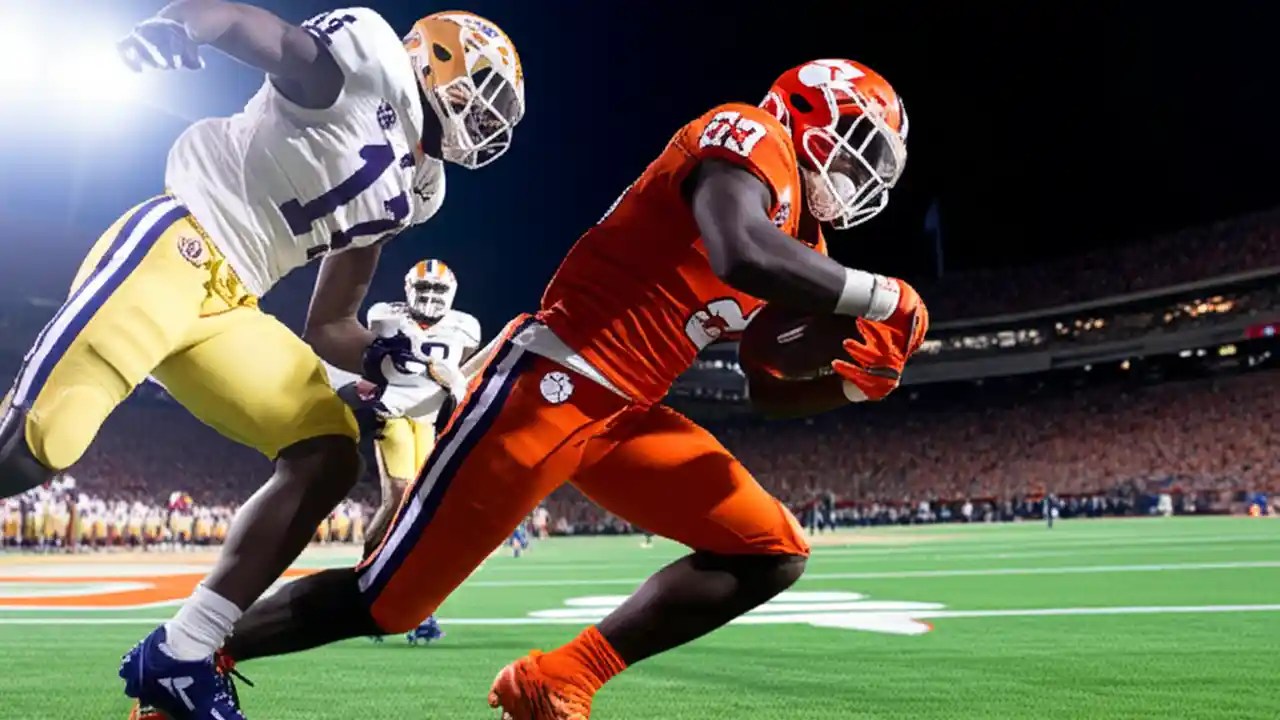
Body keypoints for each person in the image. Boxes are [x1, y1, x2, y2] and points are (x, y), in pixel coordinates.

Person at [218, 58, 927, 720]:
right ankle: (193, 656)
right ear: (807, 108)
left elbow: (768, 384)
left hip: (626, 416)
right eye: (860, 138)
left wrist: (856, 385)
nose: (864, 170)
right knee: (385, 601)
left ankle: (561, 677)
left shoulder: (806, 243)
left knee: (770, 551)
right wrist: (878, 295)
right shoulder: (751, 133)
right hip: (549, 380)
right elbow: (740, 248)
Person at [0, 1, 523, 718]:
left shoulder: (418, 190)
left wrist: (382, 351)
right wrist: (183, 24)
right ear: (435, 57)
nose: (488, 117)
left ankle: (182, 655)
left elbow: (330, 323)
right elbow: (266, 36)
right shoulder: (366, 66)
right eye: (482, 90)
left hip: (235, 301)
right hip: (176, 244)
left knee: (328, 452)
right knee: (32, 450)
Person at [328, 258, 481, 646]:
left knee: (422, 508)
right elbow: (371, 358)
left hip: (426, 421)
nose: (429, 298)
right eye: (423, 290)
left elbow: (461, 370)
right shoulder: (385, 316)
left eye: (437, 291)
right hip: (392, 412)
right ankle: (367, 579)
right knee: (399, 498)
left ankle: (417, 606)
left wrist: (457, 384)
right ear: (409, 290)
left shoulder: (465, 326)